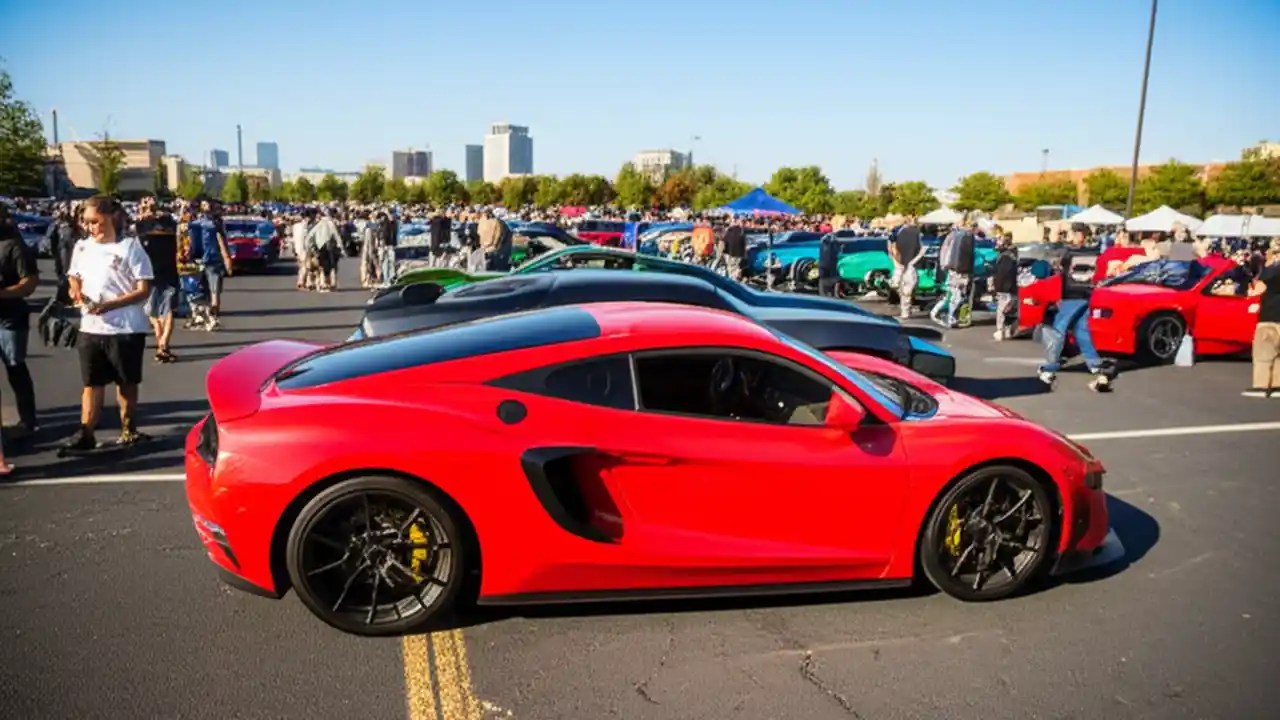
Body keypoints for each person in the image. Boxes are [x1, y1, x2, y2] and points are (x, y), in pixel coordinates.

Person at [62, 196, 154, 452]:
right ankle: (86, 432)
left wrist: (110, 305)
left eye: (95, 221)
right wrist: (75, 290)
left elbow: (143, 289)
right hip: (91, 327)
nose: (90, 227)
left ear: (111, 218)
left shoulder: (130, 247)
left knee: (126, 382)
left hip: (124, 327)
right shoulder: (82, 247)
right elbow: (73, 275)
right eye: (87, 222)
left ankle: (128, 429)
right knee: (92, 383)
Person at [1038, 232, 1114, 392]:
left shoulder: (1068, 252)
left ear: (1076, 234)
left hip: (1070, 296)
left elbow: (1056, 268)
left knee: (1057, 330)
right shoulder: (1093, 252)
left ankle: (1049, 367)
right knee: (1082, 332)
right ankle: (1096, 366)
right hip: (1086, 295)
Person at [0, 207, 39, 439]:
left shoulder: (13, 246)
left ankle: (28, 419)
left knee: (15, 367)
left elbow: (31, 282)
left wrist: (3, 293)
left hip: (10, 318)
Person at [1244, 240, 1280, 398]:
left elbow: (1257, 289)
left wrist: (1270, 262)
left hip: (1269, 317)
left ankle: (1261, 386)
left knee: (1263, 354)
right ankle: (1277, 385)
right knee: (1279, 356)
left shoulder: (1272, 272)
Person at [190, 202, 233, 325]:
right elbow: (222, 242)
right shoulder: (216, 224)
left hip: (198, 259)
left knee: (200, 290)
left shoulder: (196, 223)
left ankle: (202, 315)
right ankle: (213, 316)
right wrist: (227, 259)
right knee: (215, 290)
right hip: (214, 259)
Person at [931, 222, 975, 328]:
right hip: (958, 271)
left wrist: (946, 266)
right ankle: (949, 317)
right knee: (956, 296)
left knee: (952, 295)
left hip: (952, 270)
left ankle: (939, 313)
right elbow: (963, 256)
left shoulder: (953, 236)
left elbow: (946, 253)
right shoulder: (965, 237)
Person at [892, 216, 924, 319]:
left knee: (900, 286)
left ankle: (905, 310)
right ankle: (906, 309)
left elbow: (894, 248)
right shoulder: (918, 233)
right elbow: (920, 249)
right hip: (911, 264)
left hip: (900, 263)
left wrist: (896, 261)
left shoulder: (899, 232)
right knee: (909, 287)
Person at [989, 235, 1018, 341]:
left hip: (1005, 288)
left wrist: (996, 288)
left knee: (1002, 310)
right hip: (1012, 287)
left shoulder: (1005, 257)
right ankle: (1007, 330)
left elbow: (1002, 275)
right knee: (1010, 310)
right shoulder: (1013, 256)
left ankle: (1000, 330)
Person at [816, 231, 839, 297]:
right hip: (831, 269)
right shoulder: (834, 244)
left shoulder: (823, 244)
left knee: (824, 288)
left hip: (825, 268)